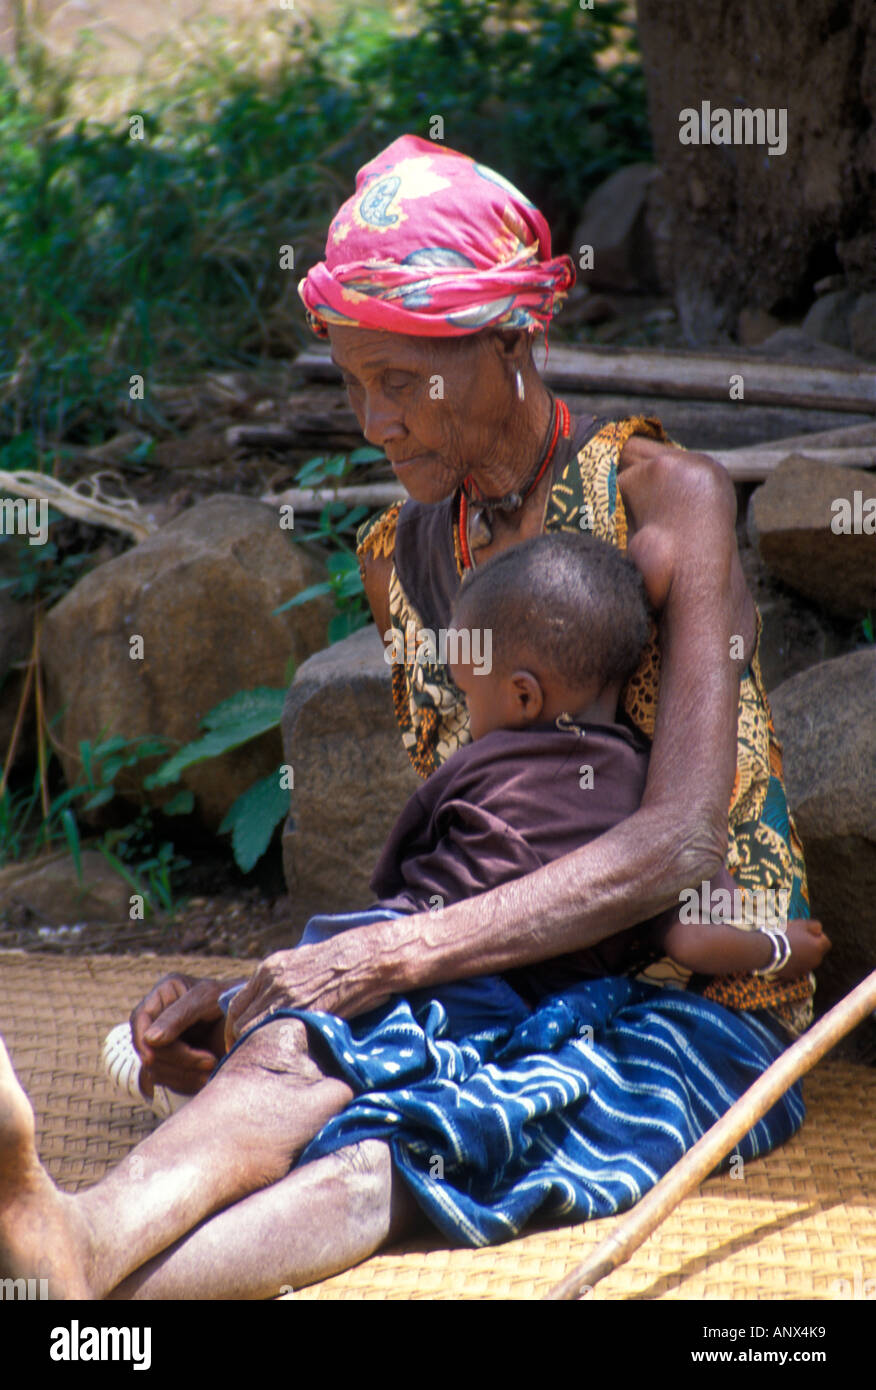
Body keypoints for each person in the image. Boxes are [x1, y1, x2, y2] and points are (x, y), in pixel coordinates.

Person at [0, 135, 825, 1299]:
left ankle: (102, 1303)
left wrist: (386, 951)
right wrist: (259, 992)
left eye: (403, 381)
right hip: (500, 967)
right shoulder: (401, 556)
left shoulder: (661, 499)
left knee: (420, 1135)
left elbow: (682, 840)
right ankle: (79, 1246)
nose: (373, 421)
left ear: (511, 340)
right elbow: (485, 835)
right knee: (305, 1042)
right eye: (352, 381)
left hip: (694, 1001)